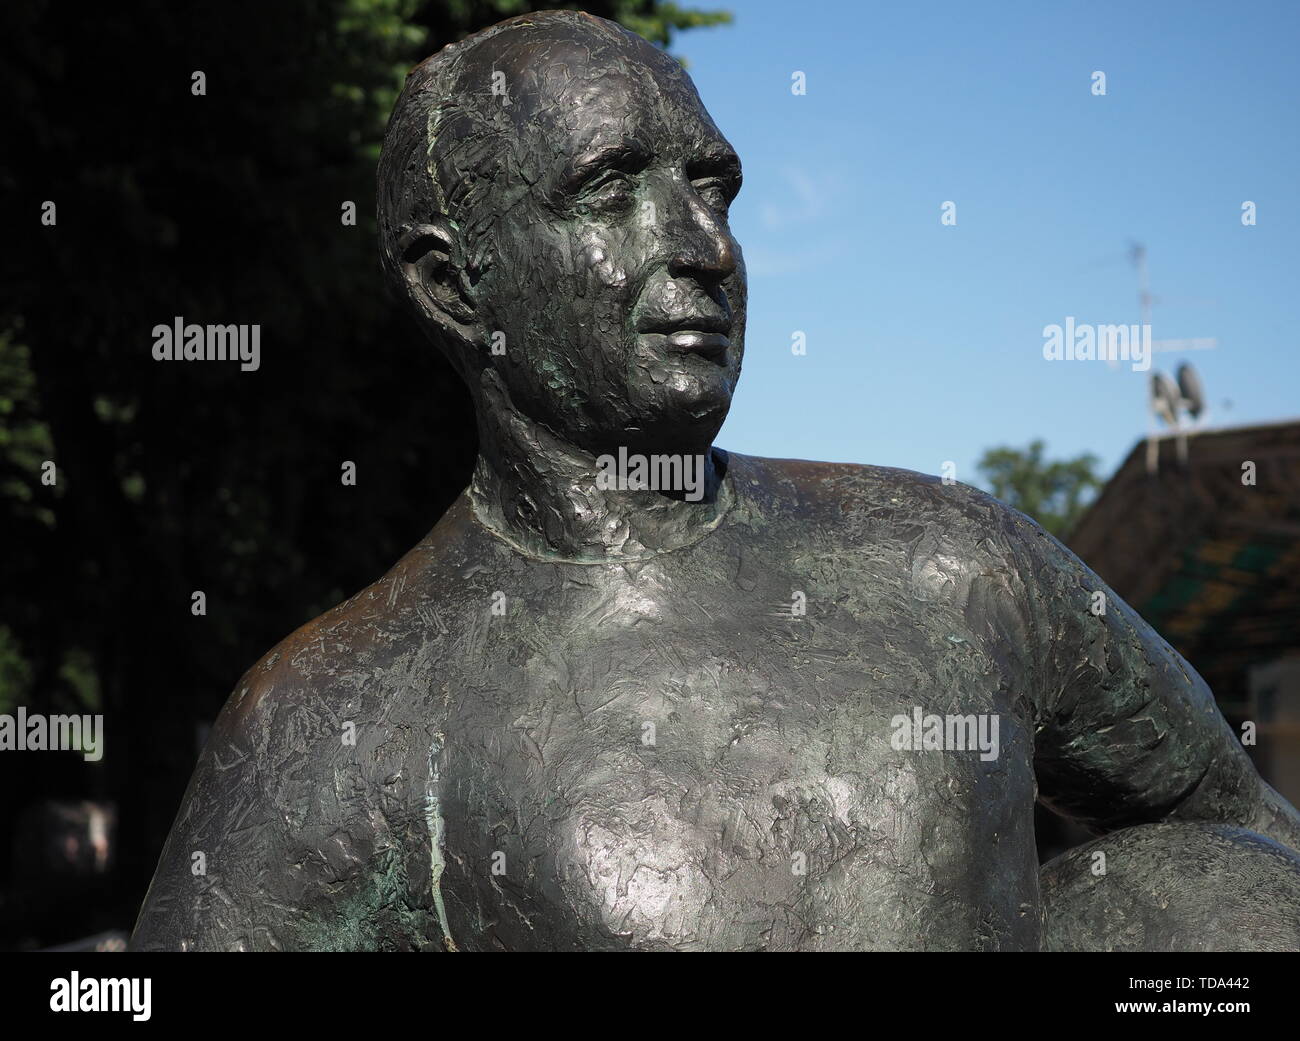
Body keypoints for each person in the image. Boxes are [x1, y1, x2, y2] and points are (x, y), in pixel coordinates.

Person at [132, 10, 1300, 951]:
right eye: (609, 189)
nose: (701, 245)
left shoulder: (952, 565)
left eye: (711, 186)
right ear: (454, 290)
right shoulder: (334, 720)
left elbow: (1237, 837)